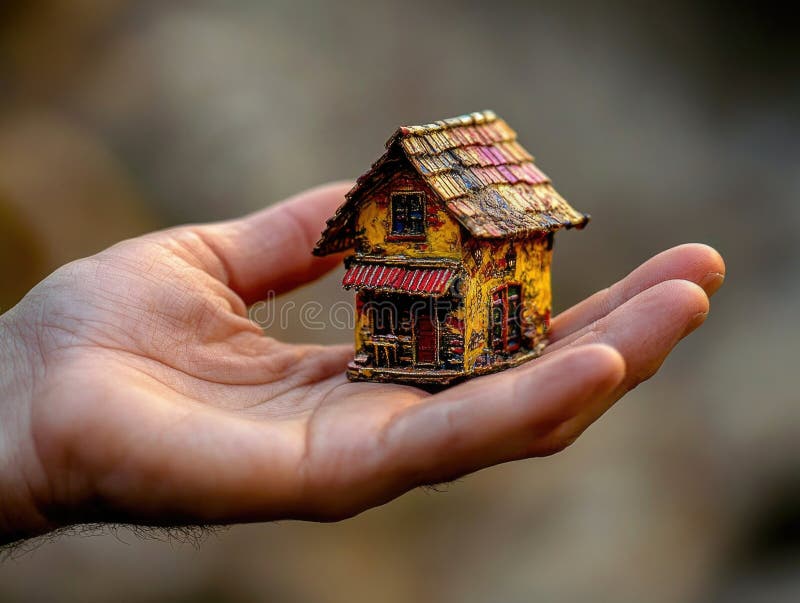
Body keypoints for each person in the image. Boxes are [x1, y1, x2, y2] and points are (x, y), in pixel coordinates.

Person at [0, 183, 725, 545]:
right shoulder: (389, 264)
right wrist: (25, 383)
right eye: (406, 212)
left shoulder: (485, 258)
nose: (407, 224)